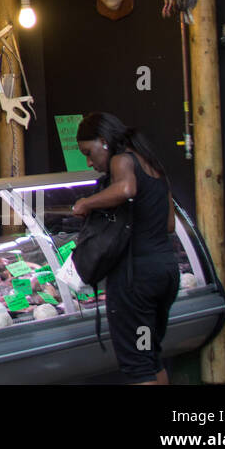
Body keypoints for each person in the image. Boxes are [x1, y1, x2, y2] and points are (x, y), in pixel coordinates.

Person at [72, 112, 178, 386]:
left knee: (137, 367)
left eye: (89, 152)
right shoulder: (153, 165)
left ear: (104, 142)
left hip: (136, 280)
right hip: (164, 272)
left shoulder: (122, 159)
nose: (89, 161)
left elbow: (126, 189)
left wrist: (87, 203)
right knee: (151, 358)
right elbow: (169, 225)